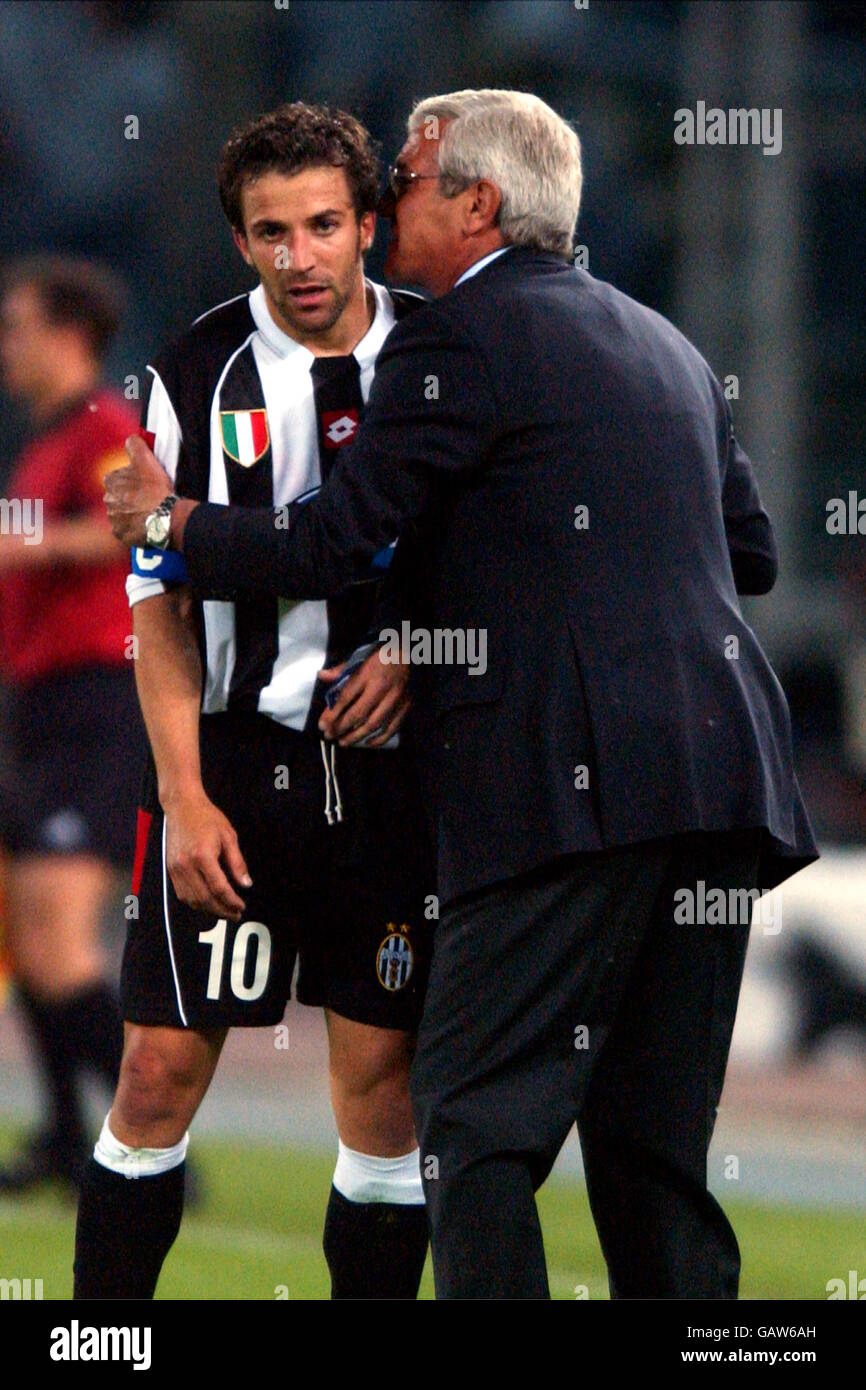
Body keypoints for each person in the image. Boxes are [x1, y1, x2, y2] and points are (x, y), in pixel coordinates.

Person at [106, 88, 818, 1300]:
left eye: (405, 183)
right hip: (722, 783)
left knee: (474, 1123)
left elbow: (334, 540)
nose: (385, 204)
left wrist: (175, 524)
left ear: (475, 203)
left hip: (563, 790)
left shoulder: (455, 338)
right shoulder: (669, 344)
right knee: (655, 1157)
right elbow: (745, 554)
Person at [74, 103, 434, 1301]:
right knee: (152, 1079)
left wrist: (418, 652)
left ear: (369, 225)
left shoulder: (444, 358)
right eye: (271, 231)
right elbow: (155, 602)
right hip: (227, 764)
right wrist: (182, 796)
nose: (300, 256)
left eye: (324, 224)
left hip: (391, 784)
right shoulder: (190, 372)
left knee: (384, 1099)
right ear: (240, 242)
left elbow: (501, 560)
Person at [0, 255, 142, 1193]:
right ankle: (60, 1133)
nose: (6, 344)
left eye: (16, 324)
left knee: (59, 936)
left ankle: (150, 1132)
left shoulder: (107, 428)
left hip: (100, 697)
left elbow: (139, 522)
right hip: (41, 706)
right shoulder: (45, 440)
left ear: (68, 334)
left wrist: (32, 541)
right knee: (23, 927)